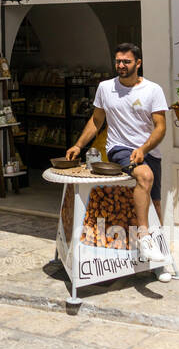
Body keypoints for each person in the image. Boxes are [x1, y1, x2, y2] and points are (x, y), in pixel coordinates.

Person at [66, 42, 169, 272]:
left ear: (138, 63)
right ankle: (143, 237)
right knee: (144, 174)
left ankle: (159, 262)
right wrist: (78, 145)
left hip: (149, 150)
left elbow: (160, 128)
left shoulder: (153, 90)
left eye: (126, 61)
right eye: (118, 61)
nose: (121, 65)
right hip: (119, 148)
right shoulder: (105, 87)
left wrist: (143, 149)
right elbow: (96, 121)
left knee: (156, 205)